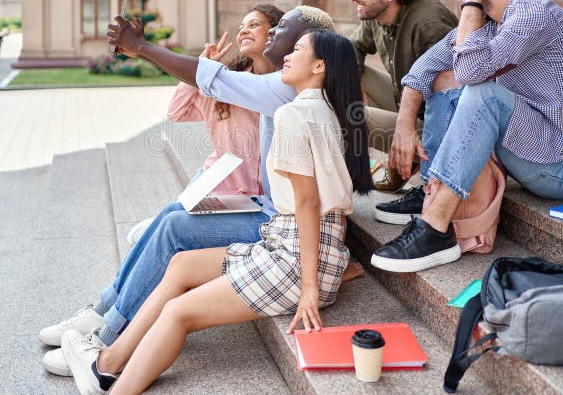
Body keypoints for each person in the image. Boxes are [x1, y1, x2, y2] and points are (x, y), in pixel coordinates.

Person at [61, 29, 374, 394]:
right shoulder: (327, 110)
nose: (287, 56)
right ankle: (108, 361)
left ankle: (109, 375)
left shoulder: (292, 113)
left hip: (295, 258)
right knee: (181, 265)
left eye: (298, 50)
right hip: (303, 248)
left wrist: (310, 287)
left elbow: (308, 203)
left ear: (319, 66)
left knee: (179, 313)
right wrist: (327, 266)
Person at [370, 0, 563, 273]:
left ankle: (436, 228)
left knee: (482, 92)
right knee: (442, 81)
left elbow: (469, 71)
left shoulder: (532, 15)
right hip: (531, 148)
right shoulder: (491, 22)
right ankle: (430, 192)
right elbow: (423, 69)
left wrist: (473, 1)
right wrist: (405, 126)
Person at [124, 5, 282, 245]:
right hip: (222, 184)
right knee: (172, 222)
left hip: (263, 199)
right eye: (241, 27)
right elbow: (177, 113)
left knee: (173, 229)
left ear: (274, 33)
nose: (244, 31)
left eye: (253, 25)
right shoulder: (225, 82)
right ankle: (156, 230)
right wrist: (200, 70)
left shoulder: (286, 84)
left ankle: (157, 231)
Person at [347, 0, 458, 224]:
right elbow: (353, 49)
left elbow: (454, 100)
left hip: (441, 128)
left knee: (353, 117)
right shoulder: (376, 14)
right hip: (406, 104)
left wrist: (403, 127)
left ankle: (409, 165)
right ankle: (394, 166)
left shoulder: (429, 22)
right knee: (343, 68)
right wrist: (352, 86)